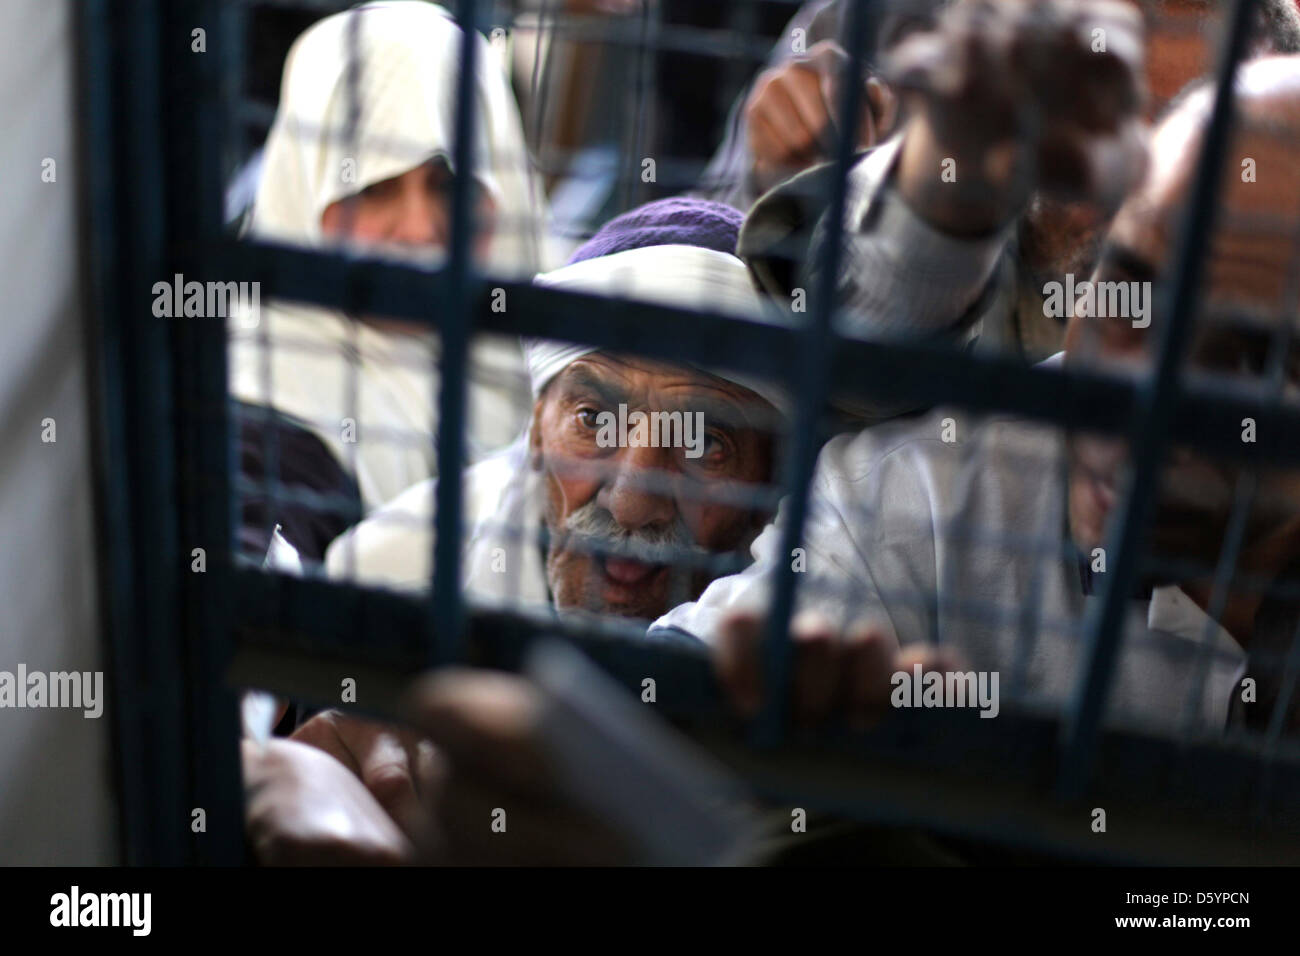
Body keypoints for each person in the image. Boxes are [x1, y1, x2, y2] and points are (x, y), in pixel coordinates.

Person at [323, 197, 785, 624]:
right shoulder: (379, 576)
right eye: (594, 420)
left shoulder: (815, 624)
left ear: (772, 475)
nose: (630, 504)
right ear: (538, 430)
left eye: (702, 443)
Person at [230, 1, 556, 562]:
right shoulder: (270, 412)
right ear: (303, 193)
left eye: (449, 186)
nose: (416, 231)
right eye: (371, 189)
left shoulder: (557, 349)